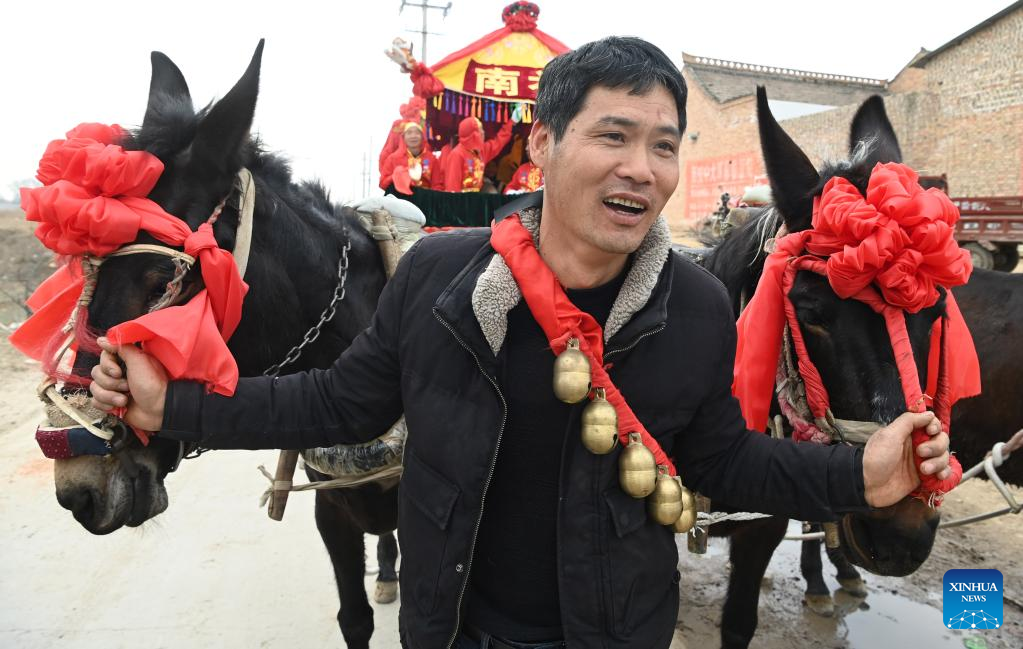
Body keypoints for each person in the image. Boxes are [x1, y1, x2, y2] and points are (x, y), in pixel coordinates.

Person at [91, 37, 951, 649]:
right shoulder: (437, 278)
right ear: (542, 142)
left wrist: (857, 475)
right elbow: (336, 399)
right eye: (612, 135)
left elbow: (723, 459)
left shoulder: (692, 305)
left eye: (662, 145)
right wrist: (180, 404)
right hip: (452, 627)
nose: (641, 168)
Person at [441, 116, 514, 192]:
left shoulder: (481, 151)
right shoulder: (457, 154)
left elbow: (498, 142)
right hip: (461, 200)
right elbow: (452, 188)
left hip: (476, 199)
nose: (483, 132)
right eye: (480, 130)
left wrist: (512, 122)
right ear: (472, 135)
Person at [379, 121, 435, 194]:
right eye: (409, 133)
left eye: (417, 133)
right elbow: (382, 184)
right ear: (403, 137)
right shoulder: (393, 158)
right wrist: (396, 176)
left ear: (422, 137)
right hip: (400, 200)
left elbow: (437, 185)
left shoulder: (431, 159)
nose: (413, 136)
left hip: (425, 201)